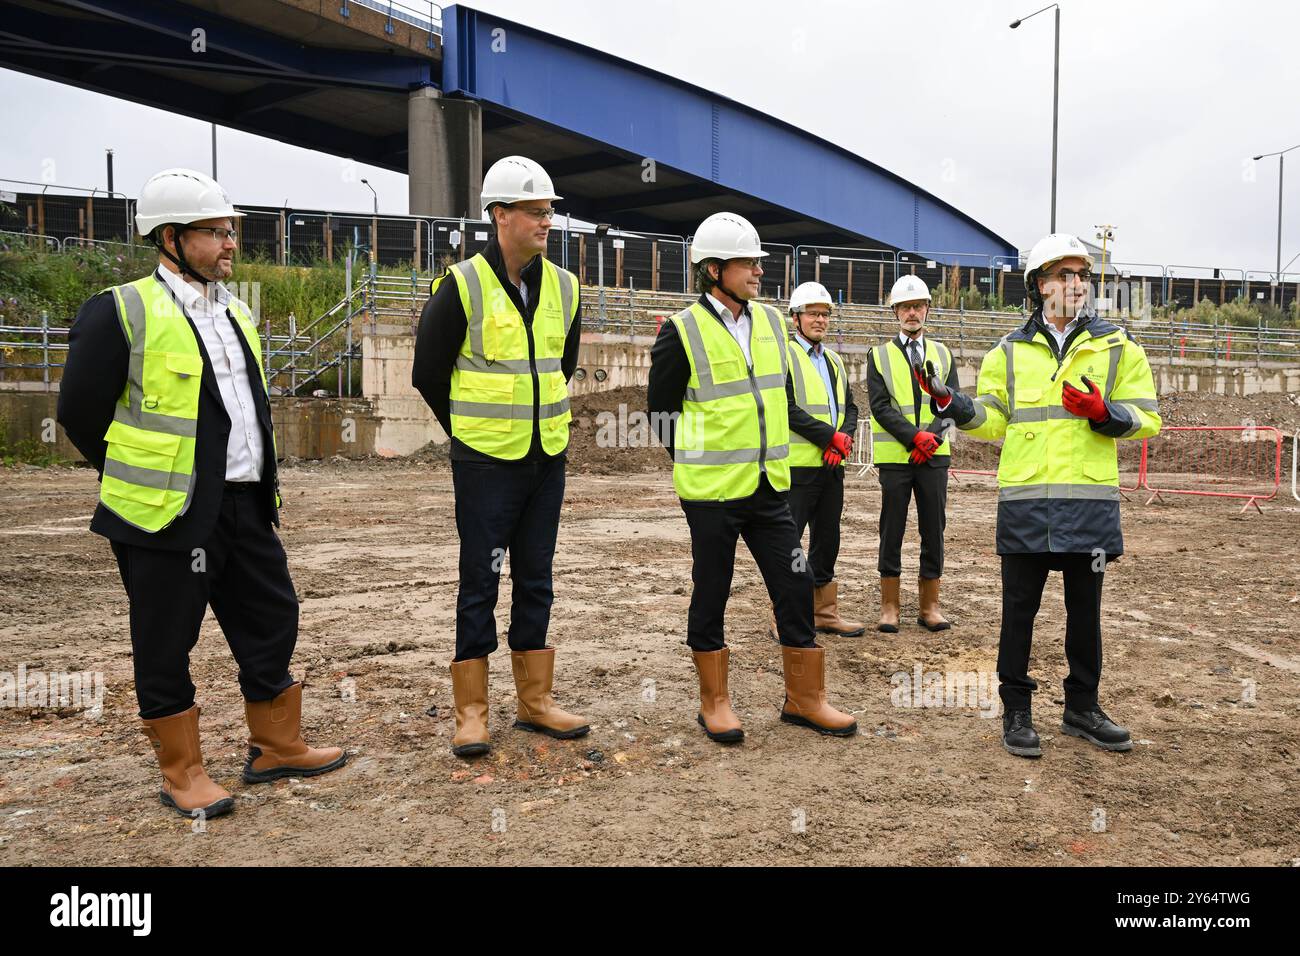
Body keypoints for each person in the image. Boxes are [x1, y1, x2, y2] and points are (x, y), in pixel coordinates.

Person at [57, 168, 344, 820]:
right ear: (169, 237)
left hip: (244, 502)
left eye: (229, 231)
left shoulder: (236, 311)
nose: (228, 243)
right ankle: (182, 773)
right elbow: (78, 412)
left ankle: (275, 746)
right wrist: (134, 473)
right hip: (165, 513)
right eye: (214, 232)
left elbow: (245, 411)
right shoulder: (121, 310)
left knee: (272, 619)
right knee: (165, 640)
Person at [934, 233, 1161, 757]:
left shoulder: (1118, 347)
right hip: (1027, 504)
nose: (1075, 284)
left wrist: (1106, 414)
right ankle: (1016, 712)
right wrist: (956, 404)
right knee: (1019, 612)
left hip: (1089, 506)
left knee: (1087, 614)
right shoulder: (1008, 352)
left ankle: (1082, 708)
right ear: (1040, 285)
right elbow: (994, 419)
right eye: (1064, 275)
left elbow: (1148, 418)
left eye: (1082, 275)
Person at [647, 212, 857, 745]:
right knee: (712, 588)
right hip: (713, 493)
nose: (759, 270)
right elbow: (660, 411)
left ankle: (805, 698)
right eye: (748, 262)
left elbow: (778, 397)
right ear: (714, 268)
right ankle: (714, 702)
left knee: (793, 581)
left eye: (759, 261)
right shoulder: (681, 331)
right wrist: (692, 459)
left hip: (769, 487)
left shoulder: (767, 323)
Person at [412, 155, 588, 758]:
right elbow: (428, 373)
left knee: (537, 578)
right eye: (536, 212)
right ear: (500, 215)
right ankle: (472, 712)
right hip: (485, 463)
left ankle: (535, 703)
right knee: (479, 580)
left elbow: (561, 366)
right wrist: (468, 434)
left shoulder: (565, 286)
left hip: (547, 458)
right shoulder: (461, 286)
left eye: (549, 213)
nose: (546, 222)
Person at [866, 275, 960, 633]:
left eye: (918, 306)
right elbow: (880, 407)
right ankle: (889, 605)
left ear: (927, 310)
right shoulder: (879, 356)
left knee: (933, 527)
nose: (912, 313)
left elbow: (953, 405)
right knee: (893, 528)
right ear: (895, 312)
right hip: (897, 457)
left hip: (933, 457)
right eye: (905, 307)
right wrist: (914, 438)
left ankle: (929, 605)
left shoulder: (943, 354)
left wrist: (932, 439)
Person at [780, 280, 863, 637]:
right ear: (795, 318)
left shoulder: (833, 360)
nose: (820, 320)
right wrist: (830, 436)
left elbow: (851, 407)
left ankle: (824, 611)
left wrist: (842, 438)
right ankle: (784, 614)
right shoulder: (783, 356)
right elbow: (786, 409)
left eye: (825, 314)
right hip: (798, 468)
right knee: (789, 542)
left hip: (832, 466)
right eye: (813, 313)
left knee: (828, 539)